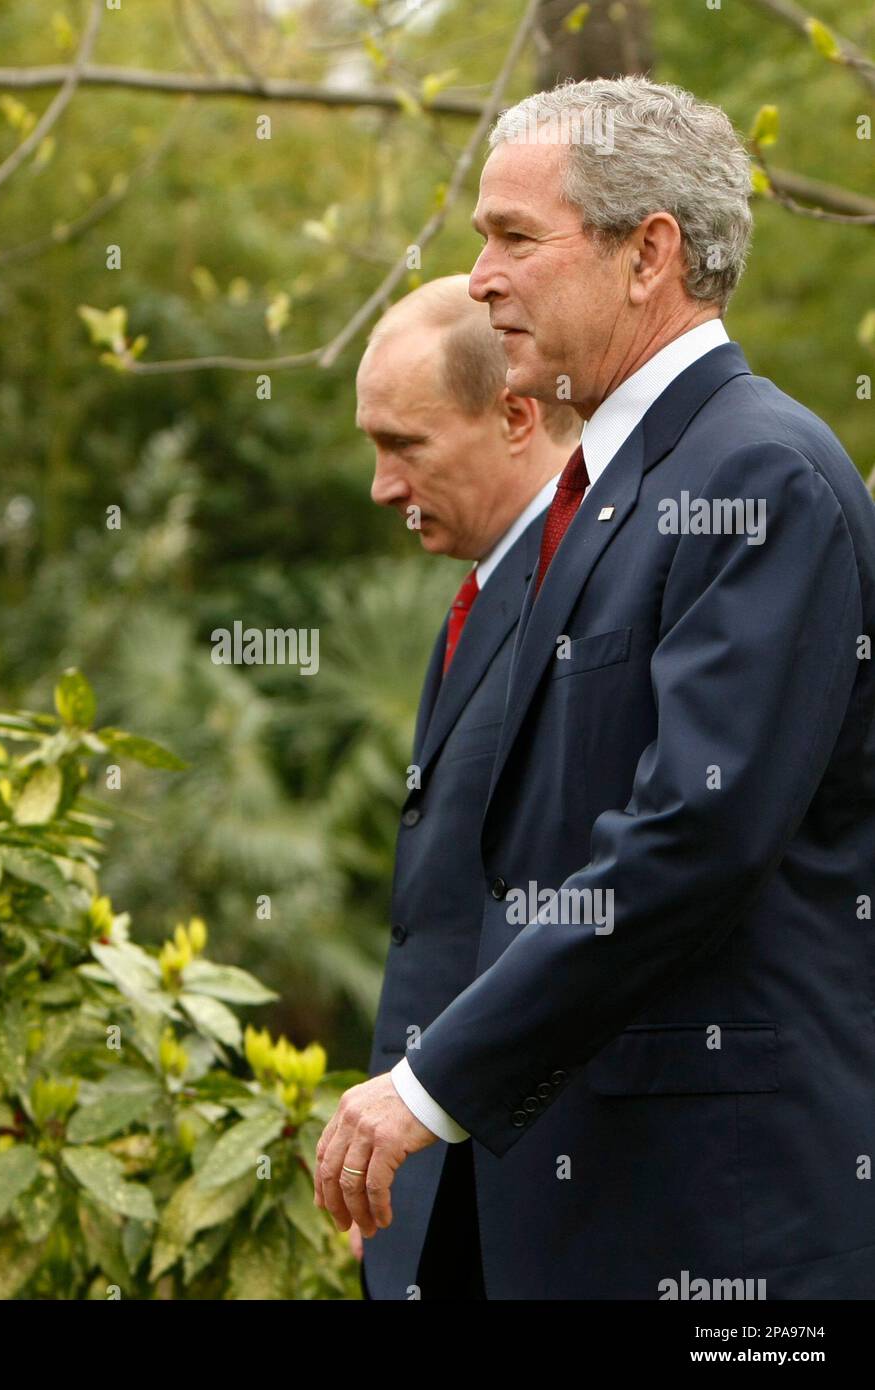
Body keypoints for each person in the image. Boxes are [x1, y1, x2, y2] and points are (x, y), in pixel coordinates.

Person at [317, 75, 875, 1299]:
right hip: (577, 1218)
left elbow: (689, 838)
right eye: (479, 241)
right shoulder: (612, 486)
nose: (478, 278)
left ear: (648, 255)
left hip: (715, 1229)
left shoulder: (761, 475)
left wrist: (428, 1082)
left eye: (514, 237)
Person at [352, 277, 579, 1298]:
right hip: (447, 1185)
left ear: (516, 415)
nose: (382, 485)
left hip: (545, 1203)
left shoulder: (589, 593)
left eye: (405, 445)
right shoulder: (491, 587)